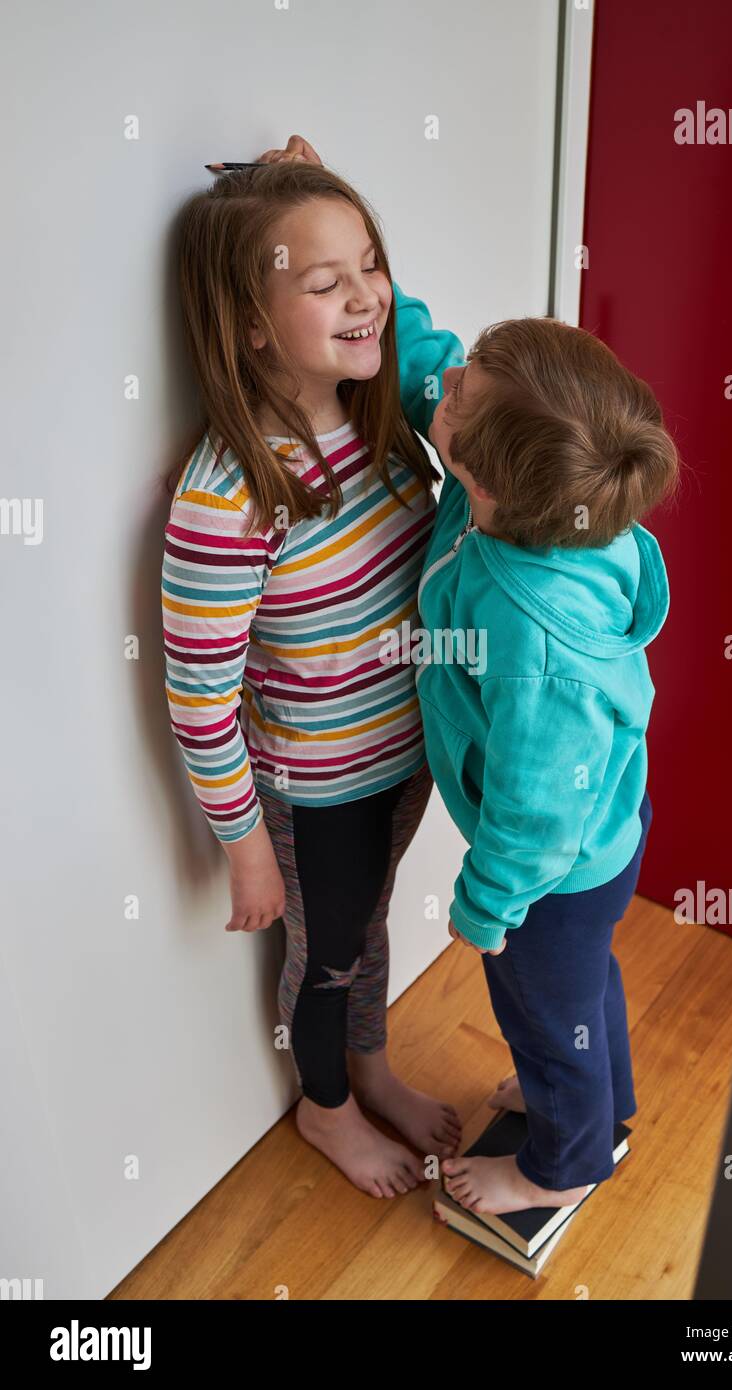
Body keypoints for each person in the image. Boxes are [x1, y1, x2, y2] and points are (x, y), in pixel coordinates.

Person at [162, 143, 467, 1199]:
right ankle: (324, 1106)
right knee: (327, 949)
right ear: (251, 325)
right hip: (318, 786)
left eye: (372, 264)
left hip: (402, 758)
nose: (367, 297)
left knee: (367, 922)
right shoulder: (228, 494)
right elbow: (199, 697)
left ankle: (367, 1062)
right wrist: (245, 847)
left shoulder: (383, 424)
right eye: (325, 281)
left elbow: (389, 321)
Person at [417, 322, 679, 1216]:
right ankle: (605, 1104)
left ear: (482, 484)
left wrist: (485, 904)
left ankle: (561, 1168)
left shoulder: (532, 638)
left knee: (541, 1014)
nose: (445, 378)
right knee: (585, 986)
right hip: (603, 837)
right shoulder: (549, 500)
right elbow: (432, 363)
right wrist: (383, 292)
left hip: (552, 873)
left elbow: (534, 812)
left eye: (459, 394)